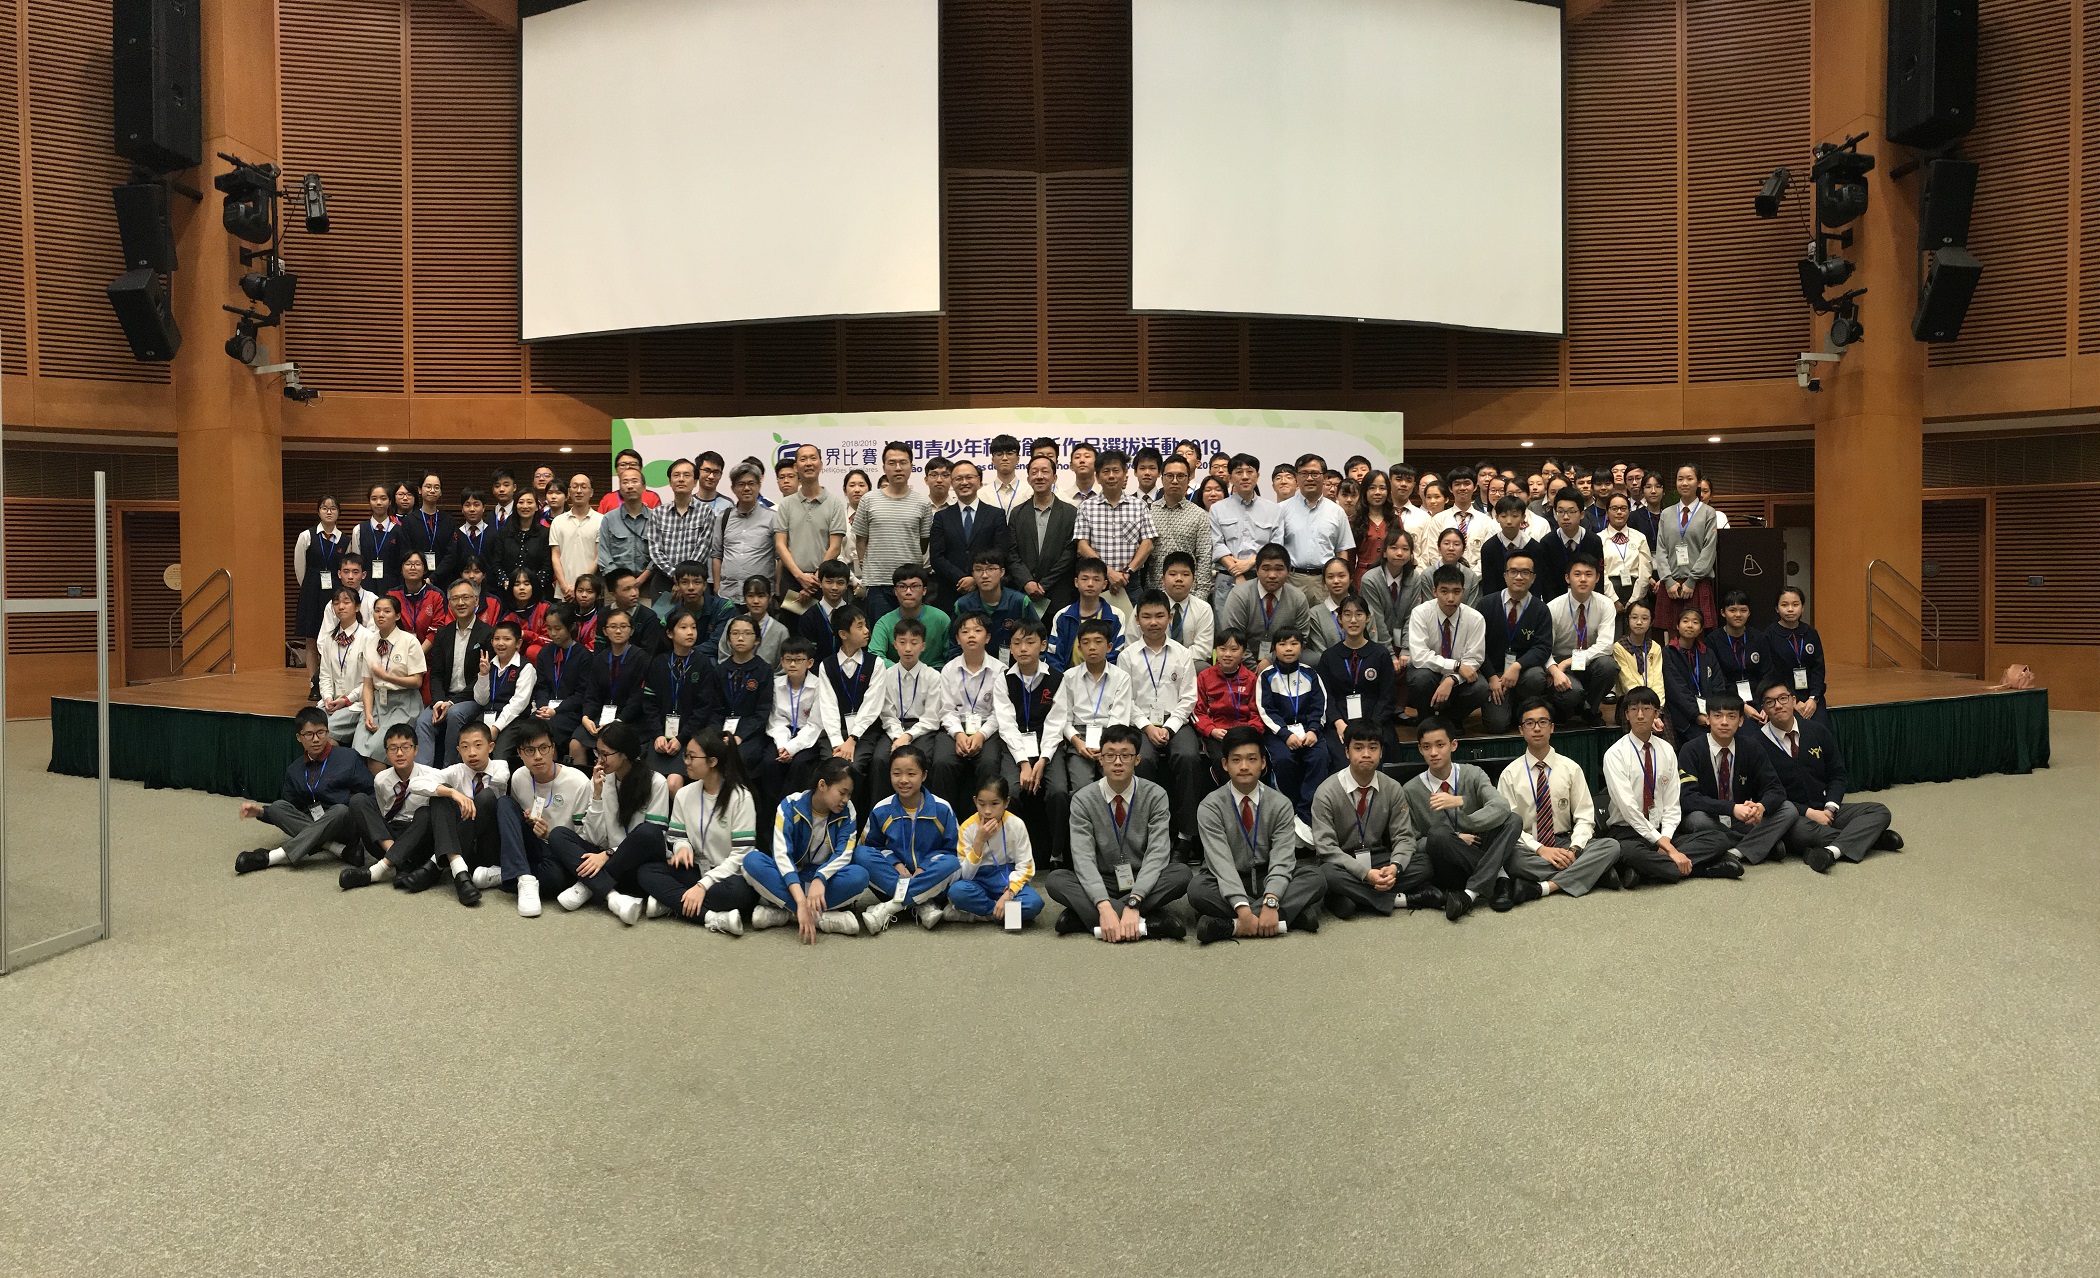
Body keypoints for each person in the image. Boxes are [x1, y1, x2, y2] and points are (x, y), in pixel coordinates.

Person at [1045, 723, 1188, 941]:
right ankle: (1149, 924)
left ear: (1137, 760)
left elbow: (1157, 854)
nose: (1118, 762)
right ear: (1100, 759)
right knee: (1056, 880)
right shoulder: (1083, 799)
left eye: (1125, 755)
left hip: (1141, 876)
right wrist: (1103, 905)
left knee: (1181, 874)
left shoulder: (1156, 795)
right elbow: (1083, 858)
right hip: (1103, 879)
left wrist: (1135, 900)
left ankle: (1085, 920)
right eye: (1110, 755)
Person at [1191, 726, 1326, 944]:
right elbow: (1221, 863)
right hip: (1228, 879)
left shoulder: (1280, 804)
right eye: (1236, 760)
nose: (1244, 766)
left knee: (1315, 877)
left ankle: (1232, 926)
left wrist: (1271, 900)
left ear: (1263, 763)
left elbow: (1283, 858)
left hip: (1267, 876)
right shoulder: (1210, 806)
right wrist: (1242, 907)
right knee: (1197, 890)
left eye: (1252, 759)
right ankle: (1287, 918)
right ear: (1225, 764)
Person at [1600, 686, 1739, 887]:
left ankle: (1646, 872)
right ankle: (1701, 869)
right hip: (1628, 831)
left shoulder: (1666, 750)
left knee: (1718, 839)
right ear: (1626, 715)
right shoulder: (1615, 754)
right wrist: (1668, 848)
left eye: (1646, 709)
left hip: (1663, 830)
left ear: (1657, 714)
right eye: (1634, 710)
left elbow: (1673, 804)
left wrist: (1665, 839)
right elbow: (1628, 809)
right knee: (1627, 852)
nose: (1640, 715)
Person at [1758, 679, 1900, 873]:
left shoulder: (1816, 731)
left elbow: (1837, 775)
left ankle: (1831, 851)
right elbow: (1764, 794)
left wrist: (1830, 809)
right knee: (1804, 833)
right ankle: (1873, 839)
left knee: (1879, 811)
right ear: (1764, 708)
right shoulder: (1756, 744)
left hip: (1825, 809)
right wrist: (1809, 813)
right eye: (1770, 702)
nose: (1778, 705)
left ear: (1793, 700)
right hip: (1792, 817)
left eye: (1783, 698)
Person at [630, 733, 764, 934]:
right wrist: (682, 847)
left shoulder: (740, 797)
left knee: (739, 894)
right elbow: (677, 836)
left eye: (692, 757)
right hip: (696, 870)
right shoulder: (685, 794)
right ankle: (711, 917)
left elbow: (741, 855)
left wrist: (703, 886)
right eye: (686, 755)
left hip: (727, 876)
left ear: (712, 762)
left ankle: (673, 903)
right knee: (646, 872)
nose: (686, 762)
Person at [1493, 701, 1622, 905]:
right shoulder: (1509, 774)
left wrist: (1574, 849)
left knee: (1611, 847)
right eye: (1530, 723)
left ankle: (1544, 887)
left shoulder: (1571, 768)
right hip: (1529, 846)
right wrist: (1540, 849)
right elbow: (1509, 825)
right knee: (1511, 859)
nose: (1537, 728)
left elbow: (1585, 817)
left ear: (1552, 727)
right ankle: (1592, 873)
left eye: (1542, 722)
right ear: (1521, 730)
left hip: (1565, 842)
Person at [546, 720, 671, 926]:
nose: (600, 760)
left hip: (639, 864)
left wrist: (609, 854)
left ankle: (589, 885)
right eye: (598, 753)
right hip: (606, 861)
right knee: (559, 834)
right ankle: (613, 897)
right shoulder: (601, 780)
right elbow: (593, 839)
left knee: (646, 832)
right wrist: (597, 796)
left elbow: (653, 838)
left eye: (605, 754)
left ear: (625, 753)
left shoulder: (656, 782)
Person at [1311, 721, 1441, 918]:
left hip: (1378, 857)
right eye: (1358, 748)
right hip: (1343, 861)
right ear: (1347, 752)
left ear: (1381, 752)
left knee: (1425, 863)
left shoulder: (1392, 787)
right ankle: (1400, 900)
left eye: (1373, 748)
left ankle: (1355, 898)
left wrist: (1395, 866)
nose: (1366, 754)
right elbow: (1326, 849)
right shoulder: (1326, 792)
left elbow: (1404, 837)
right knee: (1326, 875)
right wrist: (1365, 874)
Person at [338, 723, 478, 903]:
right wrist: (393, 847)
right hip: (389, 838)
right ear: (386, 752)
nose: (399, 753)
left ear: (416, 749)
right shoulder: (381, 779)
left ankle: (380, 870)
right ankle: (400, 861)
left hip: (420, 839)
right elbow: (383, 810)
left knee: (426, 812)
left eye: (405, 747)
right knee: (358, 800)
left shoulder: (431, 774)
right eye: (393, 748)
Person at [1403, 716, 1523, 921]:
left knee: (1514, 820)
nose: (1433, 752)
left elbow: (1501, 806)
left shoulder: (1473, 774)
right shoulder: (1410, 790)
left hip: (1478, 845)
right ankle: (1500, 878)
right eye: (1427, 747)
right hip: (1446, 864)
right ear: (1420, 749)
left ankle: (1470, 894)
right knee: (1438, 834)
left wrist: (1462, 805)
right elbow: (1412, 841)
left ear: (1453, 745)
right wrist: (1456, 838)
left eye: (1440, 745)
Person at [233, 707, 374, 875]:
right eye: (309, 734)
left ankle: (271, 857)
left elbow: (371, 794)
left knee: (341, 810)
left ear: (328, 732)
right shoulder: (295, 769)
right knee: (278, 806)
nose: (316, 739)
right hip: (313, 822)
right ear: (299, 738)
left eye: (321, 732)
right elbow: (289, 810)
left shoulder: (349, 757)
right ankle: (337, 849)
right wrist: (260, 813)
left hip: (344, 824)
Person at [1042, 618, 1136, 868]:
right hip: (1079, 739)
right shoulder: (1069, 677)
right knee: (1082, 789)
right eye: (1086, 642)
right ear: (1079, 647)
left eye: (1098, 641)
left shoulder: (1121, 677)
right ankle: (1080, 851)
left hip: (1112, 739)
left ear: (1110, 646)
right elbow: (1062, 718)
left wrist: (1106, 748)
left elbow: (1120, 717)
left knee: (1115, 787)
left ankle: (1114, 850)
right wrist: (1077, 741)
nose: (1092, 647)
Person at [1119, 591, 1203, 855]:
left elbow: (1189, 698)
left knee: (1188, 756)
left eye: (1159, 616)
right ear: (1137, 619)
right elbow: (1125, 699)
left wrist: (1169, 727)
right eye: (1147, 616)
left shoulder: (1182, 654)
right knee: (1142, 759)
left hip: (1176, 721)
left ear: (1169, 618)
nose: (1153, 622)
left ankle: (1186, 836)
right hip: (1140, 724)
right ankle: (1146, 835)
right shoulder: (1127, 656)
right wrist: (1147, 727)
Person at [1675, 691, 1796, 866]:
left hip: (1743, 819)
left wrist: (1761, 807)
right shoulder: (1691, 750)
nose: (1724, 722)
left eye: (1731, 716)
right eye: (1718, 716)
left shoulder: (1751, 746)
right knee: (1697, 819)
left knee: (1788, 809)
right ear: (1708, 719)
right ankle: (1762, 845)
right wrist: (1731, 808)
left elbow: (1776, 788)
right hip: (1710, 818)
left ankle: (1734, 852)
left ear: (1740, 721)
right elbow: (1687, 798)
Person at [854, 745, 963, 933]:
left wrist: (924, 867)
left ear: (924, 775)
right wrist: (895, 863)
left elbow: (953, 850)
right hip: (894, 878)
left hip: (930, 879)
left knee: (952, 863)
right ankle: (922, 903)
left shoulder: (942, 808)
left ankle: (892, 906)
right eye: (896, 774)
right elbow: (872, 847)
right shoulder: (881, 809)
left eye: (911, 774)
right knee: (860, 854)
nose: (903, 780)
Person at [933, 614, 1016, 811]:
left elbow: (1000, 712)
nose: (971, 635)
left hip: (988, 728)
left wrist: (981, 735)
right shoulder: (949, 669)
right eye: (965, 631)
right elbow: (946, 710)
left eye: (977, 631)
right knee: (941, 762)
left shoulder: (1000, 670)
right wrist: (958, 734)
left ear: (987, 637)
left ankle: (986, 817)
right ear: (957, 639)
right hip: (955, 727)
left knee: (989, 762)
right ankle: (944, 818)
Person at [860, 615, 939, 812]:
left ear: (923, 646)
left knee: (921, 759)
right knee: (879, 759)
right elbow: (887, 714)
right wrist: (898, 736)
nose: (908, 648)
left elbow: (931, 718)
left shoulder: (933, 676)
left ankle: (923, 812)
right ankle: (880, 814)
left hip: (922, 729)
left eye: (914, 642)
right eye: (902, 642)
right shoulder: (886, 676)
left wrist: (908, 736)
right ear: (894, 645)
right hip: (893, 728)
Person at [425, 720, 510, 900]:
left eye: (478, 745)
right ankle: (459, 870)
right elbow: (418, 782)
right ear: (459, 750)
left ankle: (436, 864)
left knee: (486, 797)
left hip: (491, 845)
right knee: (439, 796)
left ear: (491, 747)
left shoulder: (500, 766)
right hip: (466, 849)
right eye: (465, 747)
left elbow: (502, 778)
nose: (472, 752)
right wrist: (452, 793)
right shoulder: (457, 770)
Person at [853, 441, 935, 623]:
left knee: (911, 634)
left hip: (910, 583)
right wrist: (869, 569)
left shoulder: (922, 503)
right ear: (884, 467)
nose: (898, 468)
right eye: (892, 463)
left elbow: (923, 543)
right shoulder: (868, 500)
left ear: (911, 466)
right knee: (881, 634)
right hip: (878, 582)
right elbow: (861, 540)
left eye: (903, 462)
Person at [945, 776, 1041, 926]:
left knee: (1034, 903)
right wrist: (978, 842)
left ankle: (980, 915)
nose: (987, 811)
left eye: (995, 804)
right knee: (957, 892)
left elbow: (1025, 866)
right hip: (978, 880)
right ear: (975, 801)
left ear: (1006, 802)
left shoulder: (1016, 825)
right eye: (981, 804)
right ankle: (1001, 913)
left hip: (1006, 879)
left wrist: (1009, 894)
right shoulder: (967, 828)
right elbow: (965, 875)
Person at [1314, 594, 1395, 770]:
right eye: (1347, 614)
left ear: (1368, 618)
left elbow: (1387, 696)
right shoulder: (1329, 656)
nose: (1353, 620)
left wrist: (1373, 724)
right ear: (1339, 619)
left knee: (1378, 758)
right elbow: (1326, 696)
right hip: (1340, 722)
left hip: (1375, 721)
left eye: (1359, 614)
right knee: (1341, 761)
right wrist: (1338, 722)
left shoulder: (1380, 654)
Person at [763, 637, 841, 819]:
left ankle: (790, 814)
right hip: (781, 734)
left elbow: (815, 724)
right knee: (769, 763)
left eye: (798, 660)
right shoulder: (776, 685)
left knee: (800, 764)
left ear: (810, 663)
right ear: (782, 661)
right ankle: (770, 816)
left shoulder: (818, 685)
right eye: (788, 659)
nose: (793, 664)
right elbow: (776, 719)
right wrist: (783, 746)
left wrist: (791, 748)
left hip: (809, 737)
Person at [639, 608, 716, 789]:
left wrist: (681, 738)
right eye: (683, 627)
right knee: (650, 783)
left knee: (673, 783)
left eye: (693, 627)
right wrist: (657, 734)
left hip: (689, 737)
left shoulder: (703, 663)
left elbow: (703, 709)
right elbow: (649, 703)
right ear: (670, 633)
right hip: (660, 736)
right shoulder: (659, 662)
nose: (690, 632)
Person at [1405, 566, 1489, 733]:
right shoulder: (1420, 613)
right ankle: (1427, 719)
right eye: (1444, 591)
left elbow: (1474, 659)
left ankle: (1451, 719)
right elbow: (1419, 656)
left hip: (1459, 677)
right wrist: (1455, 666)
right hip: (1430, 672)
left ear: (1463, 592)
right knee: (1420, 679)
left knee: (1481, 688)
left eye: (1456, 592)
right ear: (1434, 591)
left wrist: (1452, 678)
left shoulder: (1475, 618)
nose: (1451, 598)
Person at [1073, 449, 1157, 617]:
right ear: (1098, 477)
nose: (1111, 476)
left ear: (1125, 474)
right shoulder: (1086, 507)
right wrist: (1108, 572)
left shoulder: (1139, 506)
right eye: (1106, 471)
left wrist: (1127, 572)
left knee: (1135, 628)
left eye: (1116, 470)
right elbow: (1082, 546)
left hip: (1130, 582)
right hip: (1097, 583)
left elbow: (1148, 543)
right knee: (1095, 628)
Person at [1479, 549, 1551, 735]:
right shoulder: (1486, 604)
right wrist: (1491, 677)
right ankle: (1507, 708)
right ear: (1505, 575)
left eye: (1525, 572)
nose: (1519, 577)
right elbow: (1476, 646)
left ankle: (1523, 709)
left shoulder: (1540, 609)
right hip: (1494, 673)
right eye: (1513, 571)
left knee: (1536, 676)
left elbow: (1542, 647)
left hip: (1524, 672)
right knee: (1496, 725)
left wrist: (1517, 666)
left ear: (1533, 578)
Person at [1000, 618, 1059, 837]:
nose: (1023, 648)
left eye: (1030, 642)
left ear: (1042, 645)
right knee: (1010, 791)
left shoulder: (1056, 678)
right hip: (1014, 742)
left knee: (1059, 792)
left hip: (1047, 743)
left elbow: (1055, 724)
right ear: (1011, 648)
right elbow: (1006, 725)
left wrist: (1043, 760)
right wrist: (1024, 763)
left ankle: (1057, 851)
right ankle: (1012, 845)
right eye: (1017, 643)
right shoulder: (1003, 679)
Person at [352, 596, 428, 765]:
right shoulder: (370, 642)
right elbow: (368, 685)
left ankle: (381, 783)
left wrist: (387, 677)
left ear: (397, 616)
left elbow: (417, 681)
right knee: (358, 747)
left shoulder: (409, 641)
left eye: (387, 611)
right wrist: (368, 713)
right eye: (377, 611)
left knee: (377, 749)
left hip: (405, 702)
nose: (381, 615)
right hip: (378, 702)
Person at [774, 444, 848, 616]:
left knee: (821, 627)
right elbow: (780, 545)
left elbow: (835, 547)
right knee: (791, 628)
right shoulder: (786, 504)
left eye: (813, 458)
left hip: (823, 581)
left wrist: (814, 580)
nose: (808, 463)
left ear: (821, 464)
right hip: (791, 579)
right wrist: (800, 577)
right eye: (803, 459)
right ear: (796, 467)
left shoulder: (834, 503)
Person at [928, 459, 1009, 614]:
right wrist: (961, 578)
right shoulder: (942, 517)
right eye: (958, 479)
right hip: (951, 590)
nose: (964, 482)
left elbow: (1000, 552)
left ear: (979, 481)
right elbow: (937, 557)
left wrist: (975, 578)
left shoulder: (995, 515)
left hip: (987, 592)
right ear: (952, 483)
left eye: (969, 477)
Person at [1543, 553, 1616, 724]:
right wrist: (1555, 669)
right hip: (1560, 664)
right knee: (1572, 694)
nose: (1583, 579)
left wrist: (1569, 661)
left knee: (1608, 665)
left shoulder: (1605, 605)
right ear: (1567, 578)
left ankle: (1590, 709)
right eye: (1577, 574)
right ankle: (1565, 708)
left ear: (1597, 578)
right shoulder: (1553, 608)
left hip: (1588, 661)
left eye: (1589, 574)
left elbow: (1605, 645)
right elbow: (1544, 648)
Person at [1209, 452, 1284, 617]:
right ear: (1230, 478)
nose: (1244, 477)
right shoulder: (1217, 509)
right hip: (1227, 579)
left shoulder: (1273, 510)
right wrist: (1237, 572)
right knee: (1226, 627)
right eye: (1238, 472)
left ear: (1257, 476)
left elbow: (1276, 545)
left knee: (1260, 626)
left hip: (1261, 578)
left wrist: (1249, 563)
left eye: (1250, 472)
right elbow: (1217, 544)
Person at [1008, 454, 1079, 620]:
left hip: (1059, 595)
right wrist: (1026, 581)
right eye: (1034, 472)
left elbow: (1069, 554)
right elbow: (1011, 553)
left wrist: (1044, 584)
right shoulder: (1017, 513)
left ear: (1054, 478)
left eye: (1045, 471)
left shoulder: (1070, 513)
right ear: (1028, 479)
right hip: (1024, 594)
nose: (1039, 476)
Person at [575, 608, 651, 763]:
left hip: (630, 720)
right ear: (605, 631)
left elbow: (638, 698)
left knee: (611, 747)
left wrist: (618, 720)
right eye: (613, 627)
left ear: (631, 631)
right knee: (576, 744)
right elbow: (592, 694)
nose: (618, 631)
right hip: (602, 717)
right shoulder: (600, 659)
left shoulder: (641, 658)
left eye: (623, 626)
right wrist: (586, 717)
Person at [709, 613, 776, 784]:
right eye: (735, 633)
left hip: (750, 733)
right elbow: (715, 710)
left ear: (757, 640)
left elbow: (762, 712)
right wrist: (720, 734)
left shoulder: (764, 670)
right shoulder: (721, 670)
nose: (740, 638)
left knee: (740, 756)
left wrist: (740, 736)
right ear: (728, 639)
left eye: (747, 633)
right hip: (722, 730)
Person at [1277, 454, 1354, 604]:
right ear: (1297, 478)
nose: (1309, 478)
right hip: (1292, 580)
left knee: (1326, 619)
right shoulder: (1281, 510)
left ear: (1324, 477)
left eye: (1315, 473)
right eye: (1304, 473)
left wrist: (1341, 581)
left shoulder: (1336, 511)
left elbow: (1342, 550)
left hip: (1325, 581)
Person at [1654, 464, 1719, 636]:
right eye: (1680, 479)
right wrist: (1668, 580)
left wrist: (1692, 580)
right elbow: (1661, 548)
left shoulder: (1708, 513)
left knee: (1698, 636)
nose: (1684, 483)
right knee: (1673, 639)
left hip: (1696, 583)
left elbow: (1709, 549)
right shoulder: (1666, 514)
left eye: (1689, 479)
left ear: (1698, 482)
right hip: (1671, 586)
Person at [1218, 543, 1312, 663]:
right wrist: (1254, 670)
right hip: (1242, 662)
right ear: (1257, 570)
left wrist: (1270, 661)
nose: (1272, 575)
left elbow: (1301, 638)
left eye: (1279, 569)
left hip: (1284, 659)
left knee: (1312, 659)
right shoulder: (1239, 595)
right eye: (1266, 569)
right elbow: (1233, 639)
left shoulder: (1298, 598)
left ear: (1288, 571)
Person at [1192, 628, 1263, 786]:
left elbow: (1257, 712)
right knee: (1222, 760)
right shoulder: (1204, 677)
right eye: (1222, 649)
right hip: (1217, 733)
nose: (1227, 654)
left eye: (1234, 649)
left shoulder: (1251, 679)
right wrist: (1211, 730)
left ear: (1243, 652)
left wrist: (1251, 731)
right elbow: (1198, 712)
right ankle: (1226, 794)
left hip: (1245, 733)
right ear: (1215, 651)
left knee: (1251, 758)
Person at [293, 496, 347, 690]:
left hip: (335, 593)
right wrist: (309, 586)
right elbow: (300, 568)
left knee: (333, 638)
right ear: (318, 511)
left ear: (338, 512)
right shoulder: (306, 536)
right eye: (324, 508)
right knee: (312, 639)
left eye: (333, 508)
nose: (329, 511)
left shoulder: (345, 539)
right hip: (311, 591)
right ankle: (313, 683)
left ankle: (330, 682)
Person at [1757, 585, 1830, 726]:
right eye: (1784, 605)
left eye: (1795, 605)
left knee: (1820, 729)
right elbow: (1770, 673)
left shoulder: (1810, 633)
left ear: (1802, 607)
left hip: (1811, 696)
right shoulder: (1768, 636)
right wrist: (1793, 701)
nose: (1790, 609)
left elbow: (1818, 668)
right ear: (1777, 608)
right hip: (1783, 697)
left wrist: (1813, 698)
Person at [1146, 454, 1214, 600]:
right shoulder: (1148, 512)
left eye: (1181, 476)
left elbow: (1204, 558)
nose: (1175, 481)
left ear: (1188, 479)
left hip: (1189, 595)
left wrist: (1200, 596)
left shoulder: (1199, 515)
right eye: (1170, 476)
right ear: (1162, 478)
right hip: (1155, 594)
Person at [946, 550, 1033, 662]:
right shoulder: (963, 605)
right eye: (978, 570)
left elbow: (1036, 636)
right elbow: (954, 646)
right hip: (973, 667)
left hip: (1015, 666)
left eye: (991, 569)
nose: (985, 575)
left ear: (1002, 572)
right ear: (972, 574)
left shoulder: (1019, 602)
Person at [470, 618, 538, 759]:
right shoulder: (489, 664)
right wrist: (483, 675)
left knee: (498, 755)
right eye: (497, 639)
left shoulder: (526, 668)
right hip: (488, 714)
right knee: (469, 749)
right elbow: (481, 701)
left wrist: (496, 727)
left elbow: (518, 704)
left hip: (514, 721)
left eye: (507, 639)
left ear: (518, 643)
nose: (500, 643)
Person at [1046, 557, 1128, 671]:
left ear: (1104, 584)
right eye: (1085, 579)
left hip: (1105, 677)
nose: (1090, 584)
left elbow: (1116, 654)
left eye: (1096, 579)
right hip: (1068, 678)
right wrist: (1064, 679)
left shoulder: (1116, 616)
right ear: (1076, 582)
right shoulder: (1062, 616)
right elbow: (1054, 657)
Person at [314, 589, 373, 742]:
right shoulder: (329, 639)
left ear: (357, 607)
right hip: (331, 703)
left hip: (356, 704)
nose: (341, 607)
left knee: (325, 730)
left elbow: (370, 681)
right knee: (310, 725)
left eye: (346, 602)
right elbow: (325, 675)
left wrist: (347, 699)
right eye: (336, 603)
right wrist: (327, 698)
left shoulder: (368, 638)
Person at [1661, 604, 1722, 744]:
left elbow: (1718, 685)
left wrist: (1716, 712)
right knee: (1703, 742)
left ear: (1701, 629)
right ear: (1677, 626)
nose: (1690, 625)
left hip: (1710, 714)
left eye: (1695, 622)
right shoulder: (1669, 653)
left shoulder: (1707, 653)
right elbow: (1677, 691)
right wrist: (1696, 715)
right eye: (1685, 621)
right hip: (1683, 717)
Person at [1358, 526, 1424, 646]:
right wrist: (1389, 653)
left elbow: (1413, 617)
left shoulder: (1414, 578)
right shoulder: (1370, 580)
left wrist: (1406, 649)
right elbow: (1376, 621)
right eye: (1394, 548)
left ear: (1411, 554)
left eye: (1405, 549)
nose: (1399, 553)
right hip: (1376, 644)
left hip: (1408, 642)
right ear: (1384, 552)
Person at [548, 473, 602, 601]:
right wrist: (564, 586)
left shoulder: (601, 520)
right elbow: (555, 556)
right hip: (563, 591)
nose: (579, 491)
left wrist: (580, 587)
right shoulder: (558, 521)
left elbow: (598, 556)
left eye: (584, 487)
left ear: (591, 492)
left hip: (590, 592)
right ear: (569, 492)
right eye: (575, 486)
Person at [1613, 598, 1668, 723]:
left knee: (1664, 729)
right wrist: (1645, 706)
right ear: (1627, 621)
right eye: (1634, 618)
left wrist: (1657, 707)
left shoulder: (1655, 647)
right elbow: (1627, 682)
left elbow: (1658, 681)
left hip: (1654, 704)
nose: (1639, 622)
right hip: (1629, 702)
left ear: (1651, 622)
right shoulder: (1619, 647)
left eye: (1644, 618)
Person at [1599, 494, 1652, 617]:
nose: (1619, 512)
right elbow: (1600, 572)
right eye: (1614, 508)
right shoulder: (1599, 539)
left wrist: (1634, 600)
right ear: (1607, 512)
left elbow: (1645, 571)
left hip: (1636, 590)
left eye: (1623, 508)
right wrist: (1613, 599)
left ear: (1629, 511)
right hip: (1609, 590)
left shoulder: (1639, 537)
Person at [1156, 551, 1213, 662]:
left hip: (1190, 663)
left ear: (1193, 581)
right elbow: (1133, 643)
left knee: (1203, 667)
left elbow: (1203, 649)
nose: (1179, 579)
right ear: (1163, 580)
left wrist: (1172, 660)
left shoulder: (1203, 609)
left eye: (1185, 574)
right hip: (1154, 661)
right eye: (1173, 574)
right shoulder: (1147, 606)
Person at [401, 473, 457, 584]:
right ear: (419, 490)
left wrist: (433, 578)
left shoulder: (449, 521)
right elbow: (406, 553)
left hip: (444, 579)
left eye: (436, 487)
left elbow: (451, 554)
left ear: (440, 492)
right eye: (428, 486)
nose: (432, 491)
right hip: (416, 581)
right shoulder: (409, 521)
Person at [351, 484, 404, 592]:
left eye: (383, 498)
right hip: (366, 587)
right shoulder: (359, 530)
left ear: (390, 501)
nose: (379, 502)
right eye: (374, 499)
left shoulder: (399, 531)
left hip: (393, 586)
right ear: (369, 502)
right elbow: (355, 563)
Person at [388, 550, 447, 645]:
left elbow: (437, 628)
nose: (412, 567)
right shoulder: (392, 595)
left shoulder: (436, 595)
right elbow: (388, 625)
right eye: (408, 564)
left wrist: (418, 652)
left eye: (417, 564)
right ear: (401, 569)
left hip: (429, 651)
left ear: (425, 570)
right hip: (399, 649)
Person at [498, 569, 550, 662]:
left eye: (526, 584)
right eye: (517, 584)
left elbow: (552, 641)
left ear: (534, 586)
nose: (522, 588)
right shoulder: (508, 617)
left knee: (533, 651)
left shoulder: (546, 609)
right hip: (517, 661)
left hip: (544, 658)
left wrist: (526, 634)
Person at [985, 434, 1027, 517]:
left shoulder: (1029, 492)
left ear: (1018, 459)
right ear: (993, 460)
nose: (1004, 458)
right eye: (999, 454)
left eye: (1010, 453)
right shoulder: (982, 494)